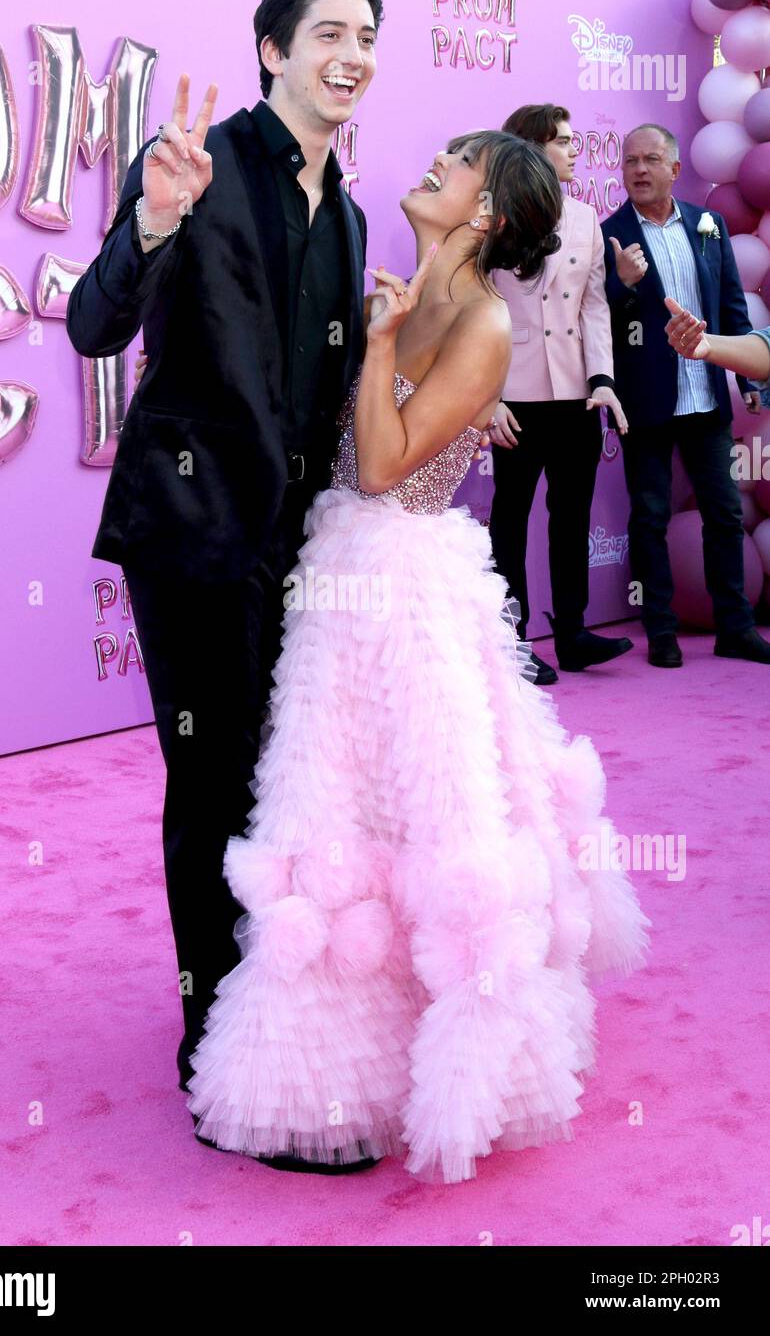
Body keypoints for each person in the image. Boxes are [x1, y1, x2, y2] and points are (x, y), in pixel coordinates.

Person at [184, 129, 651, 1183]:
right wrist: (386, 342)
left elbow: (390, 465)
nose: (434, 168)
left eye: (457, 167)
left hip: (401, 579)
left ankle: (411, 1045)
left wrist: (385, 344)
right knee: (337, 801)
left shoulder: (480, 318)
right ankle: (340, 1036)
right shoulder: (405, 287)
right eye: (441, 155)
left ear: (485, 217)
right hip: (342, 564)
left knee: (417, 804)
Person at [65, 0, 384, 1101]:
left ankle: (265, 1004)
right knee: (208, 778)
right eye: (328, 35)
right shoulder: (197, 169)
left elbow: (323, 399)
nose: (349, 57)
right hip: (192, 530)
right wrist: (152, 221)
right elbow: (92, 328)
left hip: (298, 551)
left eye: (364, 39)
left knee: (271, 781)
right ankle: (209, 1036)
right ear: (273, 50)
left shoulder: (347, 217)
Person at [601, 123, 770, 667]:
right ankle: (662, 633)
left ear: (675, 169)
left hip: (705, 397)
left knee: (723, 514)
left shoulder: (709, 225)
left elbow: (731, 309)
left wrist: (747, 379)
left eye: (651, 159)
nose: (639, 170)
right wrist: (621, 283)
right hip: (646, 402)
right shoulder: (610, 236)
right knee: (649, 517)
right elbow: (595, 321)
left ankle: (736, 628)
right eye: (630, 161)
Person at [487, 104, 632, 685]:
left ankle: (571, 632)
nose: (575, 150)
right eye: (563, 141)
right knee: (510, 519)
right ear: (529, 148)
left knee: (571, 514)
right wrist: (486, 396)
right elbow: (471, 310)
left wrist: (602, 379)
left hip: (577, 396)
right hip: (513, 394)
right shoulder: (489, 215)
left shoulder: (585, 218)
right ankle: (511, 640)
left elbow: (594, 305)